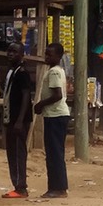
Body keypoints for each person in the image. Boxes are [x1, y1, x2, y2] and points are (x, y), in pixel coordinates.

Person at [33, 42, 70, 196]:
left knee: (54, 153)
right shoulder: (57, 70)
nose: (47, 57)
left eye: (50, 54)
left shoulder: (54, 72)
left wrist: (40, 104)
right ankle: (57, 187)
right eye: (46, 54)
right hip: (56, 115)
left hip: (56, 115)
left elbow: (57, 95)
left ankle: (58, 188)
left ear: (59, 56)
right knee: (55, 152)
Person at [2, 42, 32, 198]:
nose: (10, 54)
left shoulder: (22, 73)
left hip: (19, 119)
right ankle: (16, 184)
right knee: (11, 151)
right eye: (9, 51)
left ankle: (21, 186)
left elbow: (26, 95)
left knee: (18, 152)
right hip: (10, 117)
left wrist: (20, 120)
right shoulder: (11, 71)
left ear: (22, 54)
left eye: (14, 52)